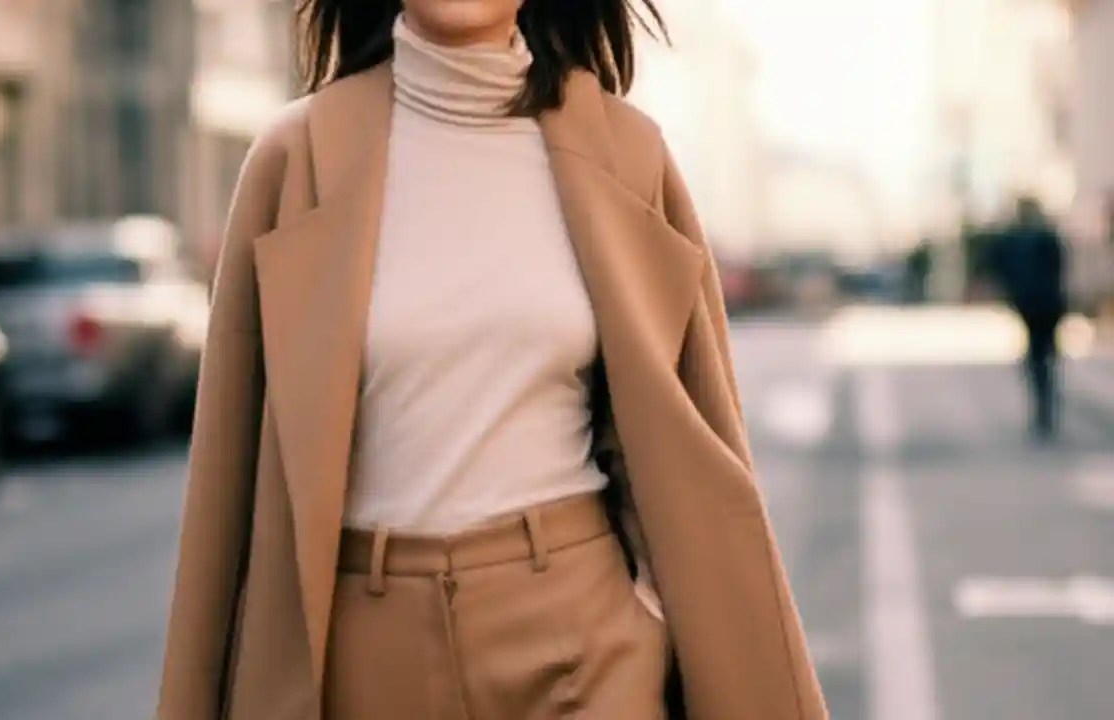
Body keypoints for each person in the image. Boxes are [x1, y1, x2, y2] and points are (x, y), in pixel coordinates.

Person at [157, 1, 826, 718]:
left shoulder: (628, 156)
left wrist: (651, 612)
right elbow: (226, 487)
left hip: (584, 645)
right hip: (367, 656)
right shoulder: (294, 159)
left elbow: (695, 447)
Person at [992, 196, 1068, 440]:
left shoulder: (1014, 239)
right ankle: (1046, 403)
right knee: (1043, 353)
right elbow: (1059, 268)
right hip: (1047, 303)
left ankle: (1043, 403)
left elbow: (1001, 267)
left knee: (1036, 355)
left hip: (1030, 303)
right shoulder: (1045, 237)